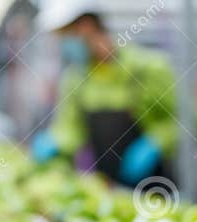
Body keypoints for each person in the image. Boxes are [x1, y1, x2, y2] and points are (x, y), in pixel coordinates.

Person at [31, 0, 179, 189]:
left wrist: (154, 144)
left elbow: (183, 120)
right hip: (109, 186)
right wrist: (55, 142)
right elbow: (71, 128)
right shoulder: (75, 79)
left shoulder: (148, 68)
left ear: (87, 26)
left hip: (157, 182)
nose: (64, 45)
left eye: (66, 36)